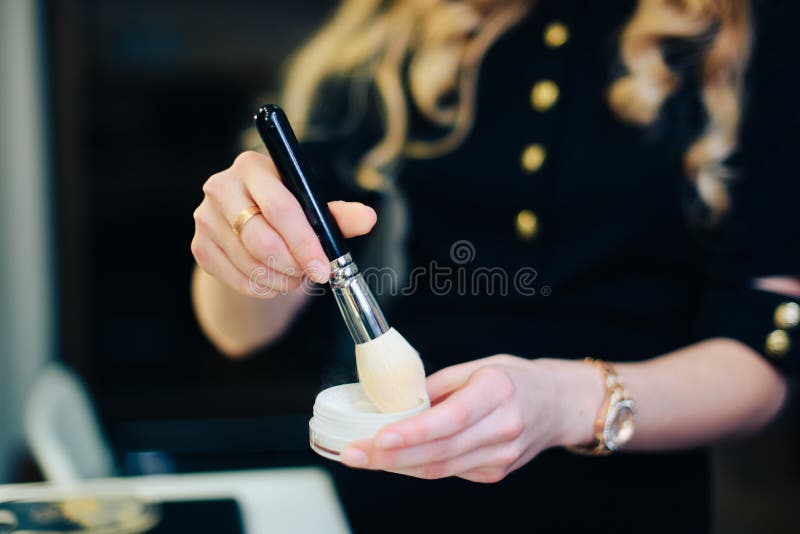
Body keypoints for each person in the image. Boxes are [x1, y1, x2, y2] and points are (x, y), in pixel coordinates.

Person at [190, 0, 799, 531]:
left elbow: (760, 358)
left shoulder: (744, 30)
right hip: (387, 487)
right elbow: (236, 332)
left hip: (623, 501)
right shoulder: (392, 29)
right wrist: (250, 243)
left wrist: (563, 401)